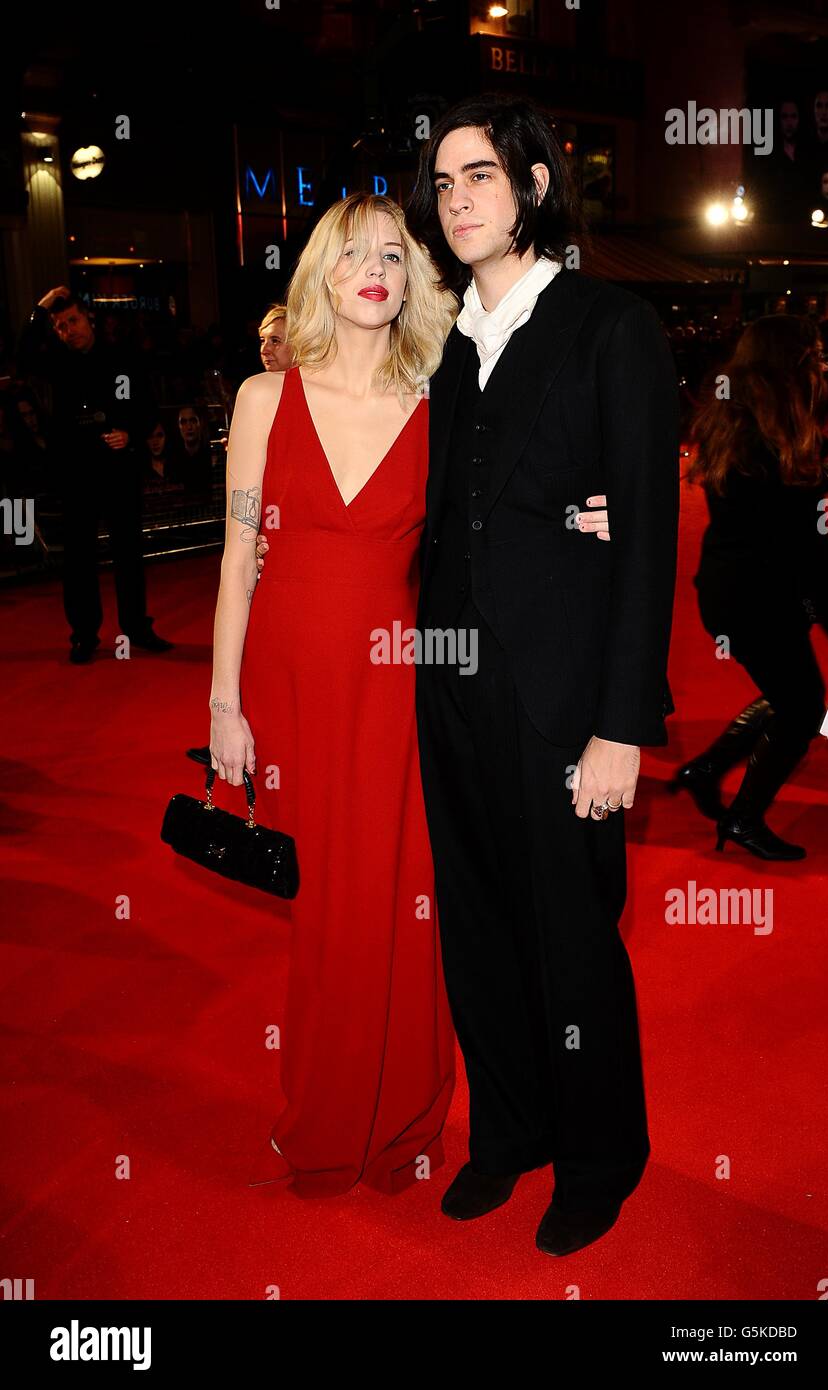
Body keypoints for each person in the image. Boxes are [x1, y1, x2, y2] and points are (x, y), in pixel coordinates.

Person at [399, 93, 680, 1257]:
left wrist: (620, 725)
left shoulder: (609, 327)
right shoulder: (448, 345)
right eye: (446, 181)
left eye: (482, 177)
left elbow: (650, 536)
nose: (460, 199)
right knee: (476, 922)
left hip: (564, 693)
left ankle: (598, 1153)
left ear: (533, 188)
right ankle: (507, 1132)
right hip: (451, 679)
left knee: (571, 929)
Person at [208, 192, 457, 1197]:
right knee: (324, 911)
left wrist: (585, 515)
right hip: (292, 684)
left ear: (412, 282)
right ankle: (319, 1115)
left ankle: (399, 1117)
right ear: (319, 269)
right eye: (353, 253)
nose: (375, 272)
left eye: (394, 258)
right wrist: (225, 704)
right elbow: (235, 559)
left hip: (397, 685)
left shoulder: (440, 401)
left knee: (402, 906)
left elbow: (487, 543)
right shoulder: (263, 399)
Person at [678, 315, 828, 861]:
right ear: (786, 361)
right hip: (758, 596)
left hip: (738, 588)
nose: (823, 363)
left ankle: (706, 769)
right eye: (813, 354)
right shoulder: (769, 432)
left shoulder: (741, 415)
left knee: (791, 693)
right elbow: (805, 546)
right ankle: (743, 817)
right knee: (801, 708)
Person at [19, 287, 173, 662]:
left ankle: (136, 627)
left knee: (128, 552)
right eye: (58, 326)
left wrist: (131, 434)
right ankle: (84, 635)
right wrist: (40, 309)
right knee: (78, 558)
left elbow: (148, 406)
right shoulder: (55, 361)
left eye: (71, 321)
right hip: (75, 473)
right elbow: (21, 354)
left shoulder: (123, 358)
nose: (66, 330)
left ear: (87, 317)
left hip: (118, 469)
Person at [258, 306, 293, 372]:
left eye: (275, 341)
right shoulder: (254, 382)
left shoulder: (316, 381)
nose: (264, 351)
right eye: (262, 341)